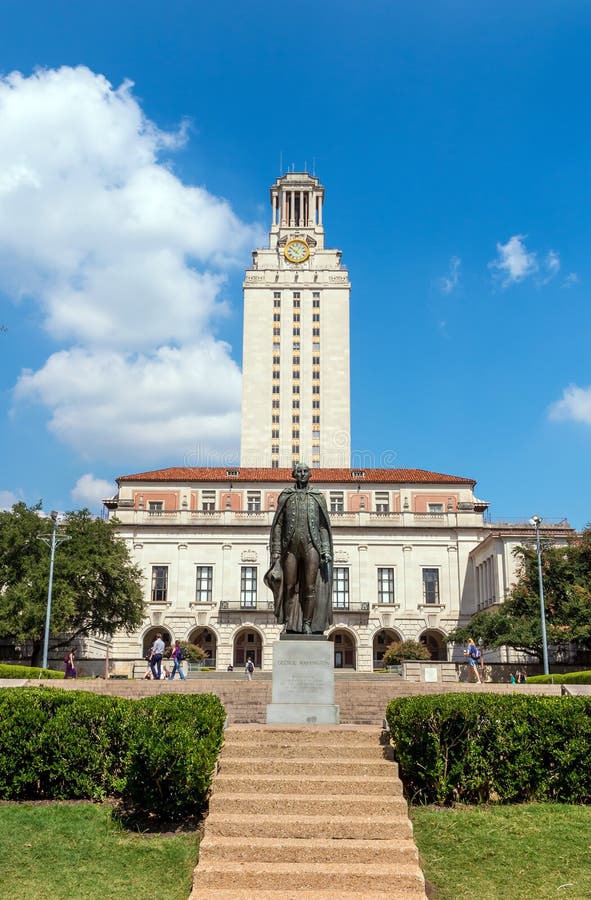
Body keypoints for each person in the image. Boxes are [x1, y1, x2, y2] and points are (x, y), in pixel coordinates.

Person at [264, 462, 333, 634]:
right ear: (294, 475)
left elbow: (323, 526)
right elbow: (278, 524)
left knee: (310, 587)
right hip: (290, 548)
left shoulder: (318, 497)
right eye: (299, 471)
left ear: (310, 475)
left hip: (312, 546)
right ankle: (288, 622)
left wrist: (325, 549)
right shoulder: (286, 496)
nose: (302, 474)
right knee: (289, 586)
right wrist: (276, 550)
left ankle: (307, 623)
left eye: (305, 471)